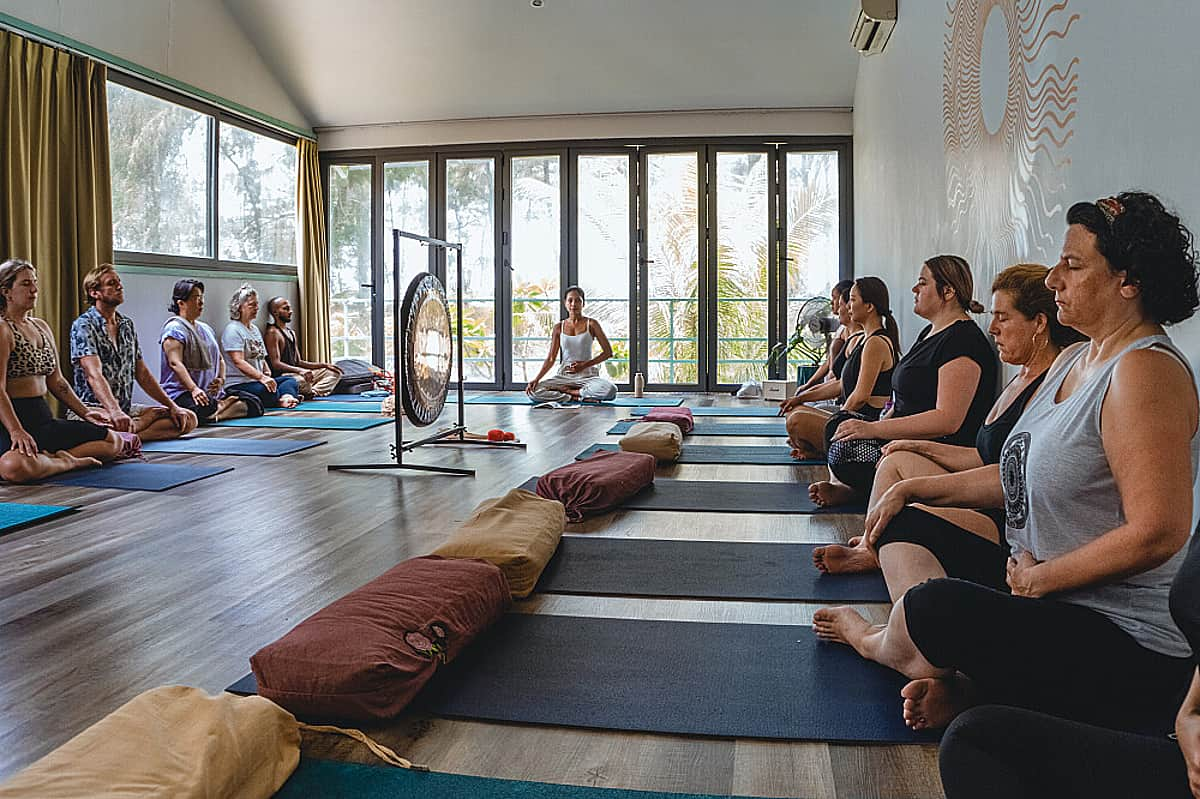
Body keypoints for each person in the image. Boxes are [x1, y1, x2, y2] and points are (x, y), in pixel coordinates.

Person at [812, 192, 1199, 740]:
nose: (1055, 279)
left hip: (1121, 637)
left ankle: (880, 644)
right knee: (903, 519)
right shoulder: (1074, 358)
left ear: (1128, 281)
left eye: (1073, 265)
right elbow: (1014, 474)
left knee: (934, 609)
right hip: (1038, 588)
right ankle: (968, 681)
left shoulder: (1144, 373)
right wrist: (912, 489)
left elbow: (1159, 531)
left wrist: (1044, 578)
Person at [813, 264, 1084, 579]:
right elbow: (983, 456)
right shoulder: (1020, 376)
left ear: (1039, 323)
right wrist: (917, 447)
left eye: (1003, 317)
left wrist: (890, 450)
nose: (993, 328)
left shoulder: (1049, 382)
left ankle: (878, 555)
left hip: (999, 519)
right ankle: (870, 546)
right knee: (894, 459)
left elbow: (964, 436)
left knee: (898, 518)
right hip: (978, 484)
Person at [936, 533, 1200, 799]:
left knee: (973, 740)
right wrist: (1188, 715)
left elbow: (1157, 536)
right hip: (1172, 724)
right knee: (975, 739)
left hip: (1143, 663)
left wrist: (1035, 581)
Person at [809, 255, 997, 507]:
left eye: (922, 283)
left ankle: (857, 490)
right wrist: (875, 425)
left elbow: (947, 420)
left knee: (847, 446)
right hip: (899, 433)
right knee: (840, 426)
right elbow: (899, 402)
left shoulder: (963, 341)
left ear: (948, 291)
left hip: (935, 449)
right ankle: (850, 488)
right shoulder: (929, 333)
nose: (914, 289)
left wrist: (874, 430)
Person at [0, 259, 129, 482]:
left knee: (114, 441)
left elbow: (57, 381)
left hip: (43, 419)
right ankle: (64, 462)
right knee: (13, 466)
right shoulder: (2, 329)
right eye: (25, 284)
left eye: (35, 283)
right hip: (10, 421)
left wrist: (86, 413)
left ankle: (53, 461)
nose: (34, 289)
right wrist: (16, 431)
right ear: (6, 292)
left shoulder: (41, 327)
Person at [69, 264, 197, 441]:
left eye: (119, 282)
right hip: (94, 409)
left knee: (188, 418)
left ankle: (127, 435)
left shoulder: (126, 325)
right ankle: (128, 432)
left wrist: (172, 406)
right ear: (94, 292)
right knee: (106, 425)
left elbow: (142, 374)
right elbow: (94, 375)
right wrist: (115, 411)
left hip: (125, 409)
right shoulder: (84, 325)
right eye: (112, 283)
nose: (119, 286)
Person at [780, 277, 899, 460]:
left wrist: (836, 421)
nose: (848, 306)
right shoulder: (865, 340)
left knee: (797, 421)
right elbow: (841, 385)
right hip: (850, 419)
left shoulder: (876, 343)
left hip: (862, 427)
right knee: (794, 412)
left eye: (852, 300)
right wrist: (799, 398)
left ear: (869, 307)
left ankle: (819, 449)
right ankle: (815, 448)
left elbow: (860, 397)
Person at [159, 279, 248, 424]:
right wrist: (194, 389)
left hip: (210, 393)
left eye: (201, 298)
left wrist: (221, 379)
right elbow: (175, 363)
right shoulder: (174, 329)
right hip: (183, 393)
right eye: (196, 298)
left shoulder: (205, 328)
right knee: (197, 411)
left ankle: (216, 412)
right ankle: (221, 408)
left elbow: (219, 359)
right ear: (181, 303)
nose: (201, 302)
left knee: (254, 401)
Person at [525, 286, 617, 403]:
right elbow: (551, 358)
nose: (574, 304)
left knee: (611, 390)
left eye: (578, 300)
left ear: (583, 304)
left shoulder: (592, 324)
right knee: (533, 391)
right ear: (565, 303)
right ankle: (576, 397)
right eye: (570, 300)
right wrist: (536, 379)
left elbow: (608, 353)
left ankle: (569, 392)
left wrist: (584, 365)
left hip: (586, 376)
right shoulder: (558, 327)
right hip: (565, 375)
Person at [222, 283, 300, 409]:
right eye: (252, 305)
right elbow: (238, 361)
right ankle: (283, 398)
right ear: (240, 307)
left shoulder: (255, 330)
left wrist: (266, 372)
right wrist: (261, 377)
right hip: (239, 384)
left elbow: (262, 357)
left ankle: (286, 397)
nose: (257, 308)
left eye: (257, 304)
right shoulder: (233, 330)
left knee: (290, 381)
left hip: (257, 381)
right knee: (267, 391)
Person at [263, 296, 341, 398]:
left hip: (297, 373)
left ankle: (313, 392)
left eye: (290, 308)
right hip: (285, 377)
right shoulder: (272, 332)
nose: (290, 311)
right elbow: (276, 364)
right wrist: (300, 371)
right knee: (303, 381)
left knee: (334, 373)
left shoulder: (291, 333)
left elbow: (299, 362)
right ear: (275, 312)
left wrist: (324, 365)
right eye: (286, 309)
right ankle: (305, 390)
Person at [791, 279, 857, 395]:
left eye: (835, 298)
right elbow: (828, 362)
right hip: (830, 387)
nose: (832, 303)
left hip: (836, 391)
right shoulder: (841, 329)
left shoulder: (853, 334)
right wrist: (808, 385)